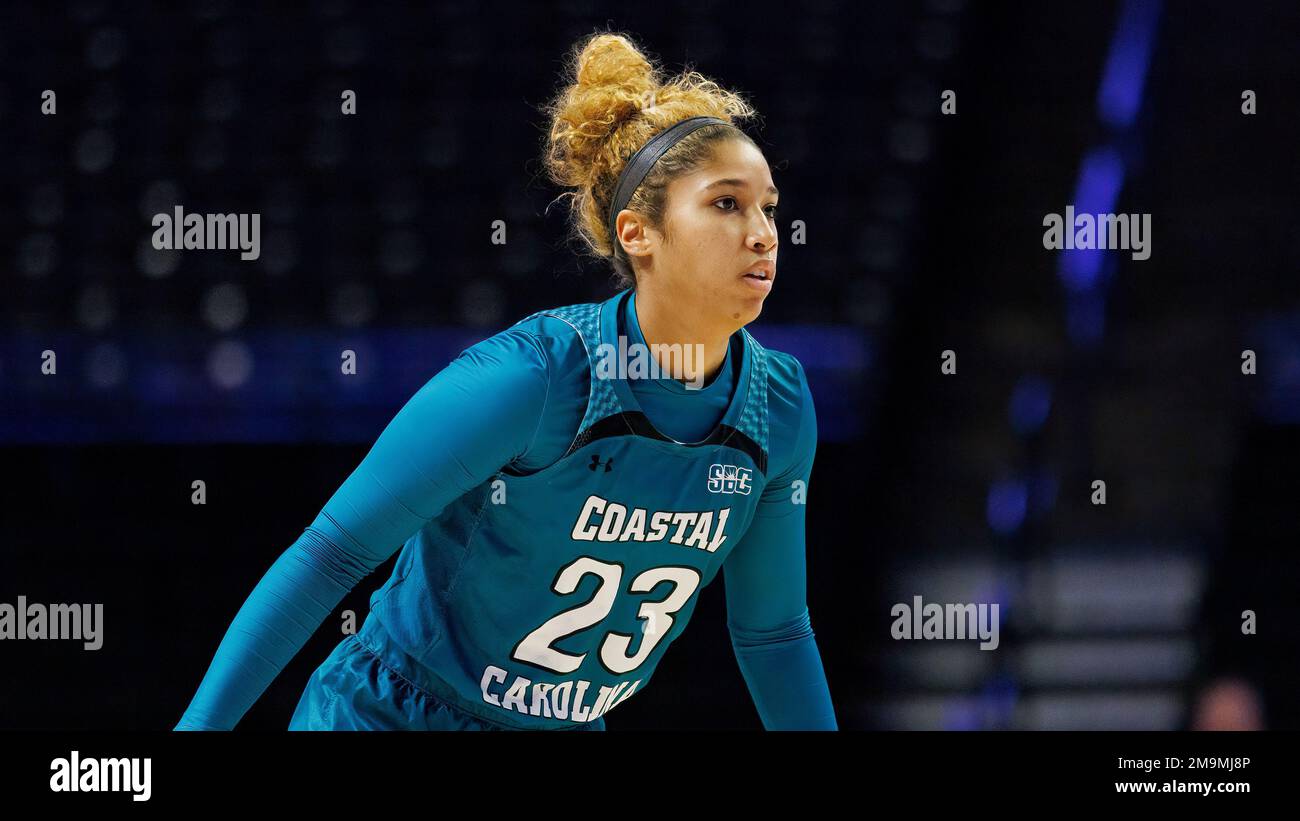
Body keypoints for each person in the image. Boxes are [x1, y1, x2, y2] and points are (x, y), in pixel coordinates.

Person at [175, 31, 836, 731]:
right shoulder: (536, 376)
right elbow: (331, 554)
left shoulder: (780, 407)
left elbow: (773, 634)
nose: (764, 232)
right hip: (396, 715)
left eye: (768, 206)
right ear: (639, 233)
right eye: (726, 204)